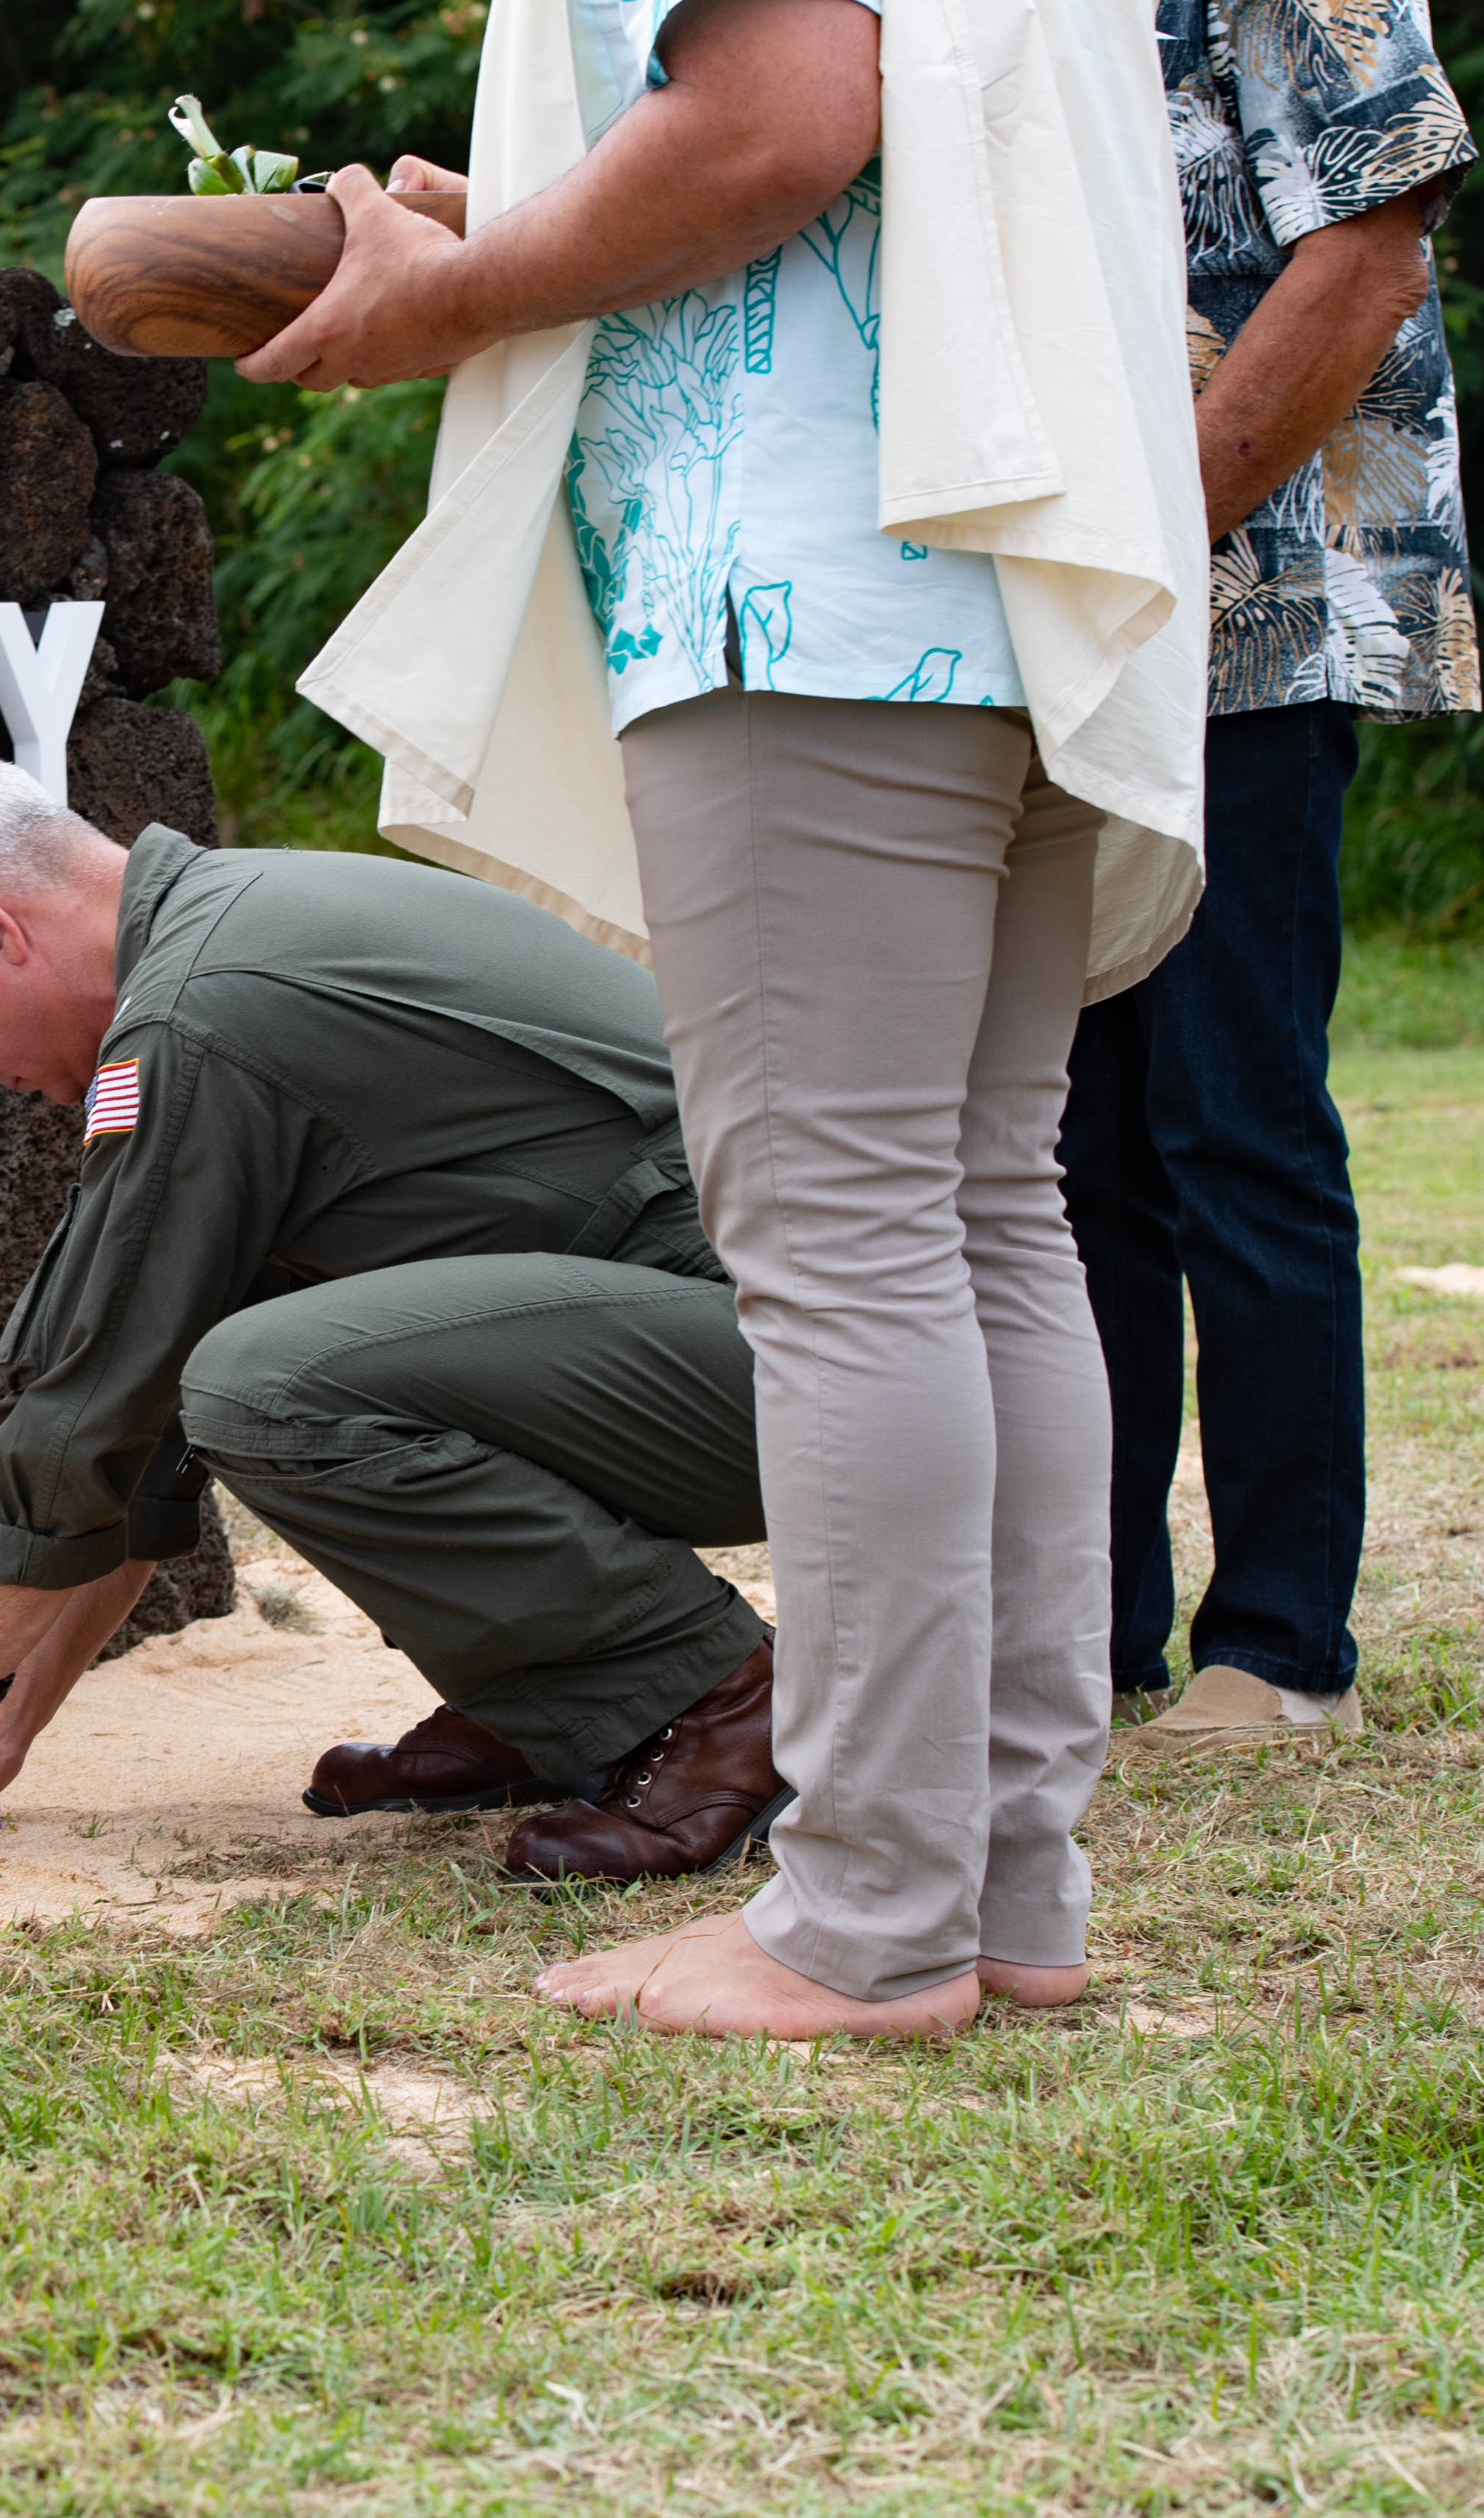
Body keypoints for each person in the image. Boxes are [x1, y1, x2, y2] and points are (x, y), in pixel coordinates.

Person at [260, 0, 1209, 2038]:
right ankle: (997, 1883)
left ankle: (867, 1913)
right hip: (1002, 559)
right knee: (978, 1209)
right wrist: (522, 218)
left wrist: (455, 299)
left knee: (849, 1232)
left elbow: (775, 120)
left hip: (801, 572)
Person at [0, 752, 787, 1887]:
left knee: (269, 1386)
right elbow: (134, 1419)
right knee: (262, 1349)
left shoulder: (200, 1013)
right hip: (758, 1346)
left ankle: (719, 1706)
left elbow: (81, 1402)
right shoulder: (236, 926)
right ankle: (562, 1697)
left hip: (814, 1364)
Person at [1063, 4, 1472, 1761]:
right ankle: (1083, 1632)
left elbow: (1371, 248)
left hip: (1246, 619)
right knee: (1067, 1152)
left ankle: (1284, 1644)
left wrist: (1157, 546)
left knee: (1233, 1121)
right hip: (1046, 627)